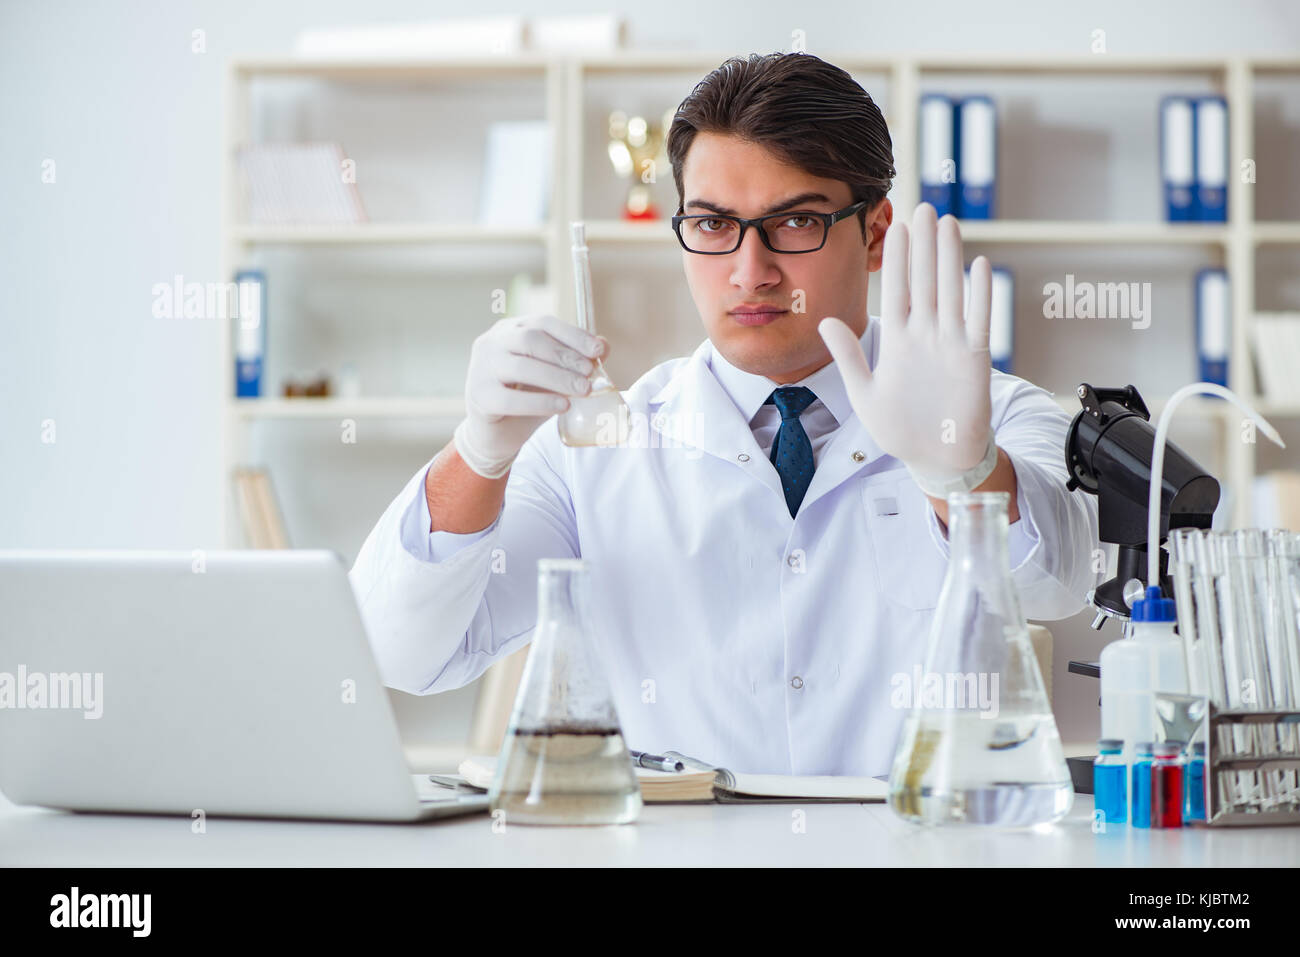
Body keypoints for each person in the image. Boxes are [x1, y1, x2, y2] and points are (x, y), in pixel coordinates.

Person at [348, 52, 1100, 776]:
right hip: (675, 842)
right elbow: (403, 653)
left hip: (914, 838)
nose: (750, 271)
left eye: (795, 222)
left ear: (874, 233)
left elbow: (1056, 582)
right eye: (713, 225)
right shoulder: (593, 450)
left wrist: (958, 470)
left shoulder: (990, 414)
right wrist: (478, 454)